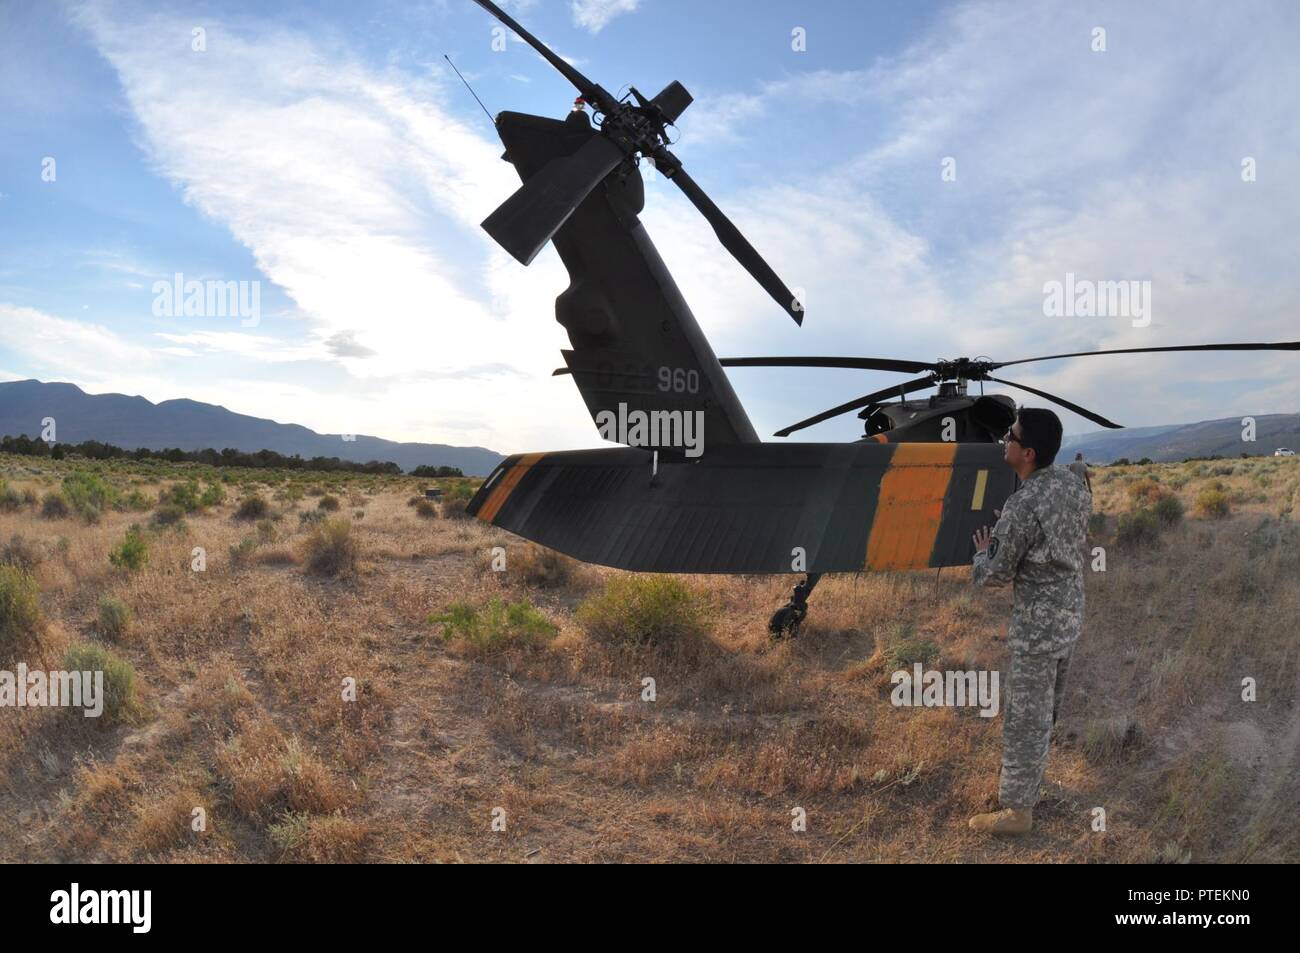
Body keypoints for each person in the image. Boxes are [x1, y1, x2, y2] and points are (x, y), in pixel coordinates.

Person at [967, 407, 1091, 835]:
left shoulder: (1022, 504)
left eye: (1012, 436)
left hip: (1038, 629)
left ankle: (1018, 812)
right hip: (1069, 617)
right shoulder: (1072, 485)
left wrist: (987, 550)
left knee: (1024, 718)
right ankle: (1034, 780)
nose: (1006, 440)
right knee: (1046, 711)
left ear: (1029, 453)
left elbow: (993, 576)